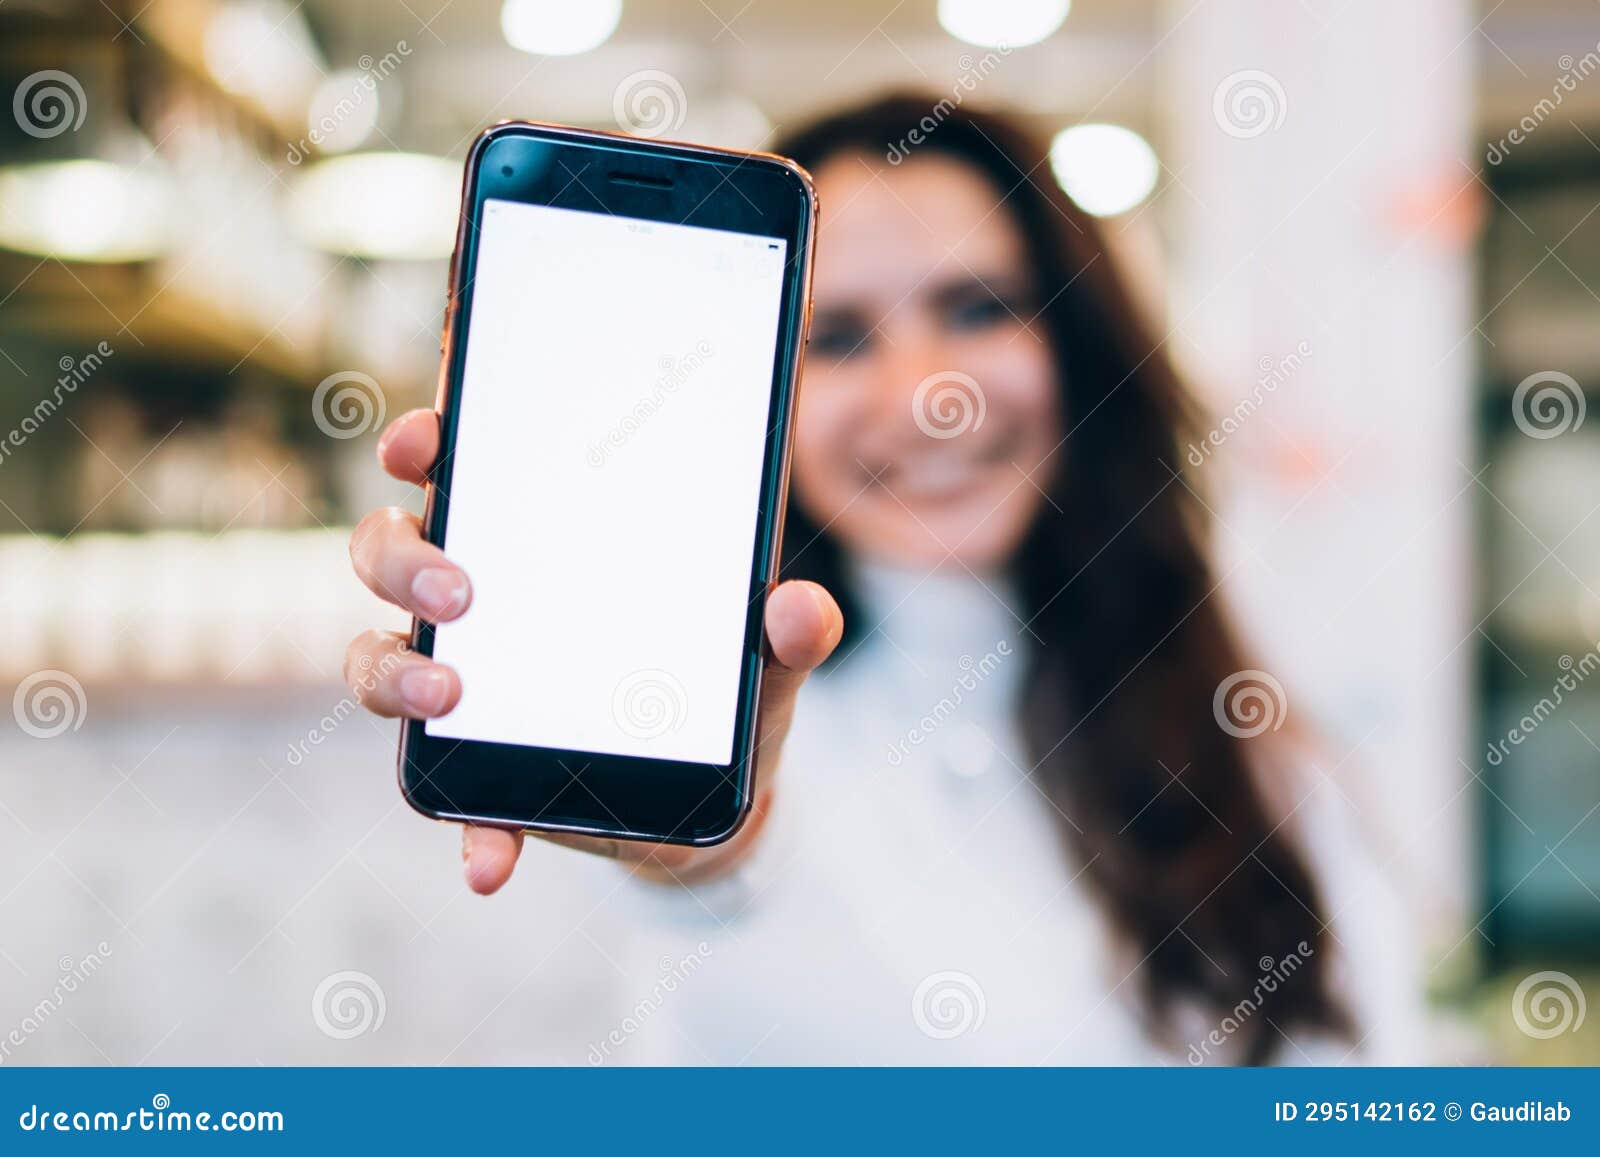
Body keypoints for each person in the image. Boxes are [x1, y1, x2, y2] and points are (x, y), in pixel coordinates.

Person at [343, 93, 1424, 1064]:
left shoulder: (1223, 676)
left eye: (976, 308)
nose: (926, 395)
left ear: (1079, 340)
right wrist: (703, 867)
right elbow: (746, 963)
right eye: (839, 336)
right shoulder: (707, 727)